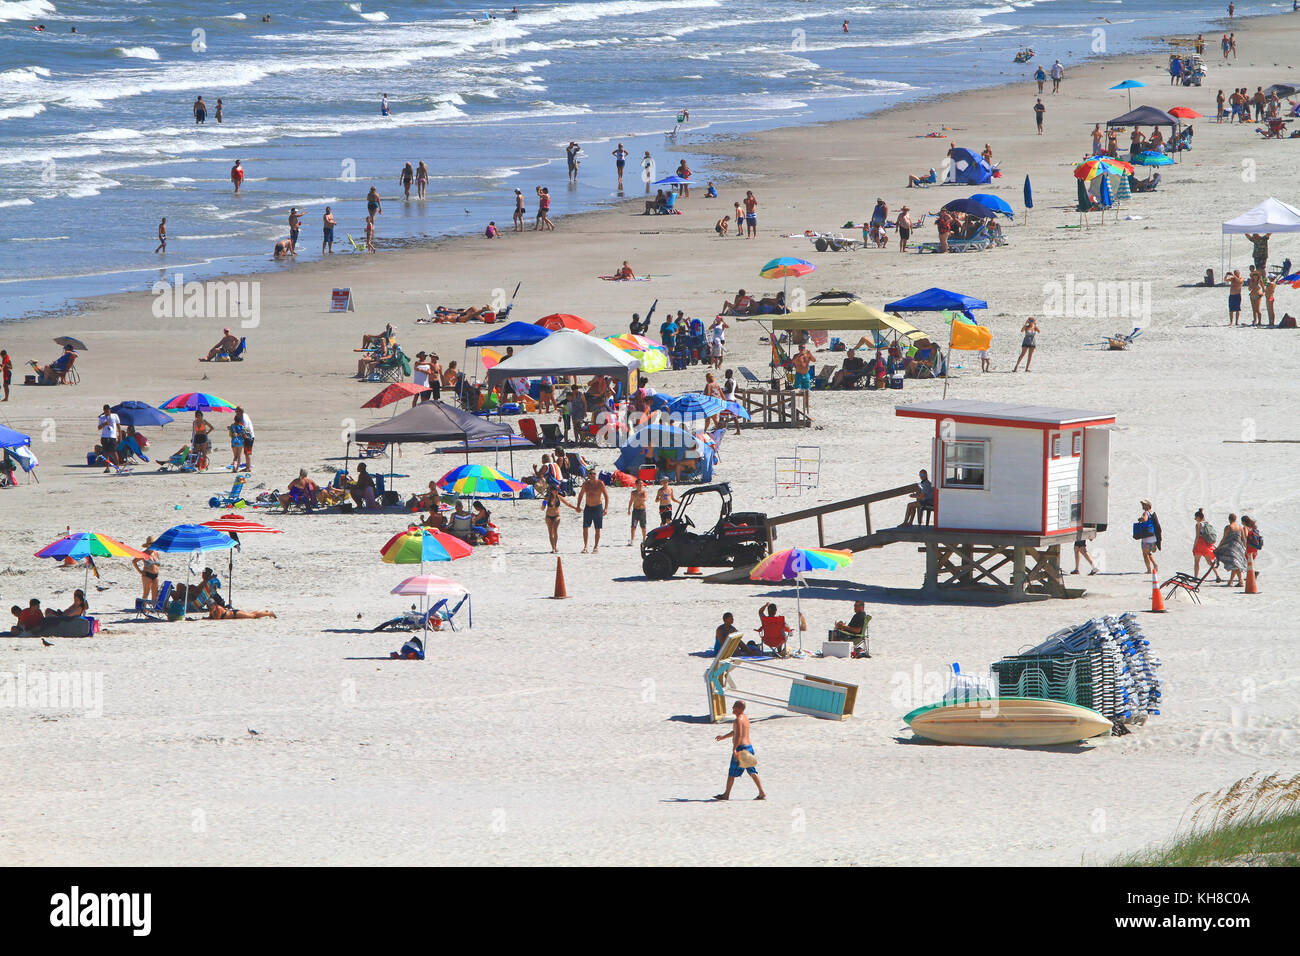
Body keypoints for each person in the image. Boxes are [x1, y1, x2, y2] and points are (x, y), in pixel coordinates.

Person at [714, 700, 766, 801]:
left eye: (734, 707)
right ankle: (762, 792)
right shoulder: (746, 718)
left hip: (741, 748)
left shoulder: (738, 719)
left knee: (731, 773)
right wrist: (723, 737)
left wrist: (734, 750)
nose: (732, 708)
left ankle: (726, 795)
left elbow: (738, 735)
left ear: (739, 709)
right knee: (752, 771)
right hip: (749, 748)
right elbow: (735, 732)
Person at [575, 471, 608, 553]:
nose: (592, 475)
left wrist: (605, 508)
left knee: (597, 528)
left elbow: (606, 496)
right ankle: (585, 546)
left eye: (594, 473)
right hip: (588, 507)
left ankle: (596, 546)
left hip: (598, 507)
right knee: (585, 527)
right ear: (588, 475)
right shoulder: (586, 484)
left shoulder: (600, 483)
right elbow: (581, 495)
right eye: (590, 474)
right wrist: (578, 506)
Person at [1215, 512, 1247, 587]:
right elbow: (1243, 539)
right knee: (1236, 565)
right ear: (1235, 519)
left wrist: (1218, 548)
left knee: (1235, 565)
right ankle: (1236, 581)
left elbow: (1224, 539)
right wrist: (1245, 548)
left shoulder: (1228, 527)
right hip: (1238, 548)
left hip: (1231, 548)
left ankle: (1236, 581)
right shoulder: (1240, 527)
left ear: (1229, 519)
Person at [543, 486, 576, 553]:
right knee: (550, 532)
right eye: (554, 490)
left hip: (556, 516)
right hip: (548, 516)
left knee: (555, 531)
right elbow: (543, 504)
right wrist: (543, 506)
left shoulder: (559, 497)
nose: (556, 492)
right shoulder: (547, 498)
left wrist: (575, 508)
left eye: (557, 490)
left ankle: (555, 546)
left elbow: (567, 504)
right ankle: (553, 548)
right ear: (551, 491)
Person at [1192, 509, 1222, 581]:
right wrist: (1201, 511)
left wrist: (1194, 547)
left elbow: (1197, 536)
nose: (1194, 518)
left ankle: (1195, 577)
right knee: (1210, 562)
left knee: (1196, 562)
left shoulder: (1198, 525)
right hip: (1206, 545)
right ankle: (1217, 575)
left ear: (1198, 518)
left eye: (1195, 517)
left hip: (1199, 544)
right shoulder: (1206, 523)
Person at [1137, 499, 1161, 575]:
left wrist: (1140, 519)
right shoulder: (1152, 513)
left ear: (1148, 506)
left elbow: (1144, 519)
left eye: (1144, 504)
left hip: (1146, 537)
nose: (1142, 506)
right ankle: (1155, 564)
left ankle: (1149, 569)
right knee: (1148, 553)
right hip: (1153, 537)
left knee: (1145, 554)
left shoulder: (1146, 513)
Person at [97, 403, 121, 472]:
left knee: (114, 452)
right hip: (104, 436)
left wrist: (120, 436)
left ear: (110, 410)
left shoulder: (114, 416)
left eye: (108, 411)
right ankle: (107, 467)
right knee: (105, 453)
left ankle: (117, 467)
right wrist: (104, 424)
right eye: (105, 411)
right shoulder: (102, 417)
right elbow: (99, 427)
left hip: (112, 437)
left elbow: (118, 427)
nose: (107, 412)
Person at [628, 478, 649, 545]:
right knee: (633, 526)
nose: (640, 485)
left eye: (641, 483)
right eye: (639, 483)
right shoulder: (633, 492)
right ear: (636, 484)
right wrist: (628, 509)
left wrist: (641, 498)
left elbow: (645, 498)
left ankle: (644, 539)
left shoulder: (643, 492)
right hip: (635, 510)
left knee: (643, 526)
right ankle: (632, 540)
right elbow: (631, 501)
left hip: (642, 510)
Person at [232, 406, 254, 470]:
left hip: (248, 437)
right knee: (245, 453)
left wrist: (237, 433)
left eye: (236, 411)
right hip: (244, 436)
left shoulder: (244, 419)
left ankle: (248, 468)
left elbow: (245, 429)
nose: (235, 413)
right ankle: (247, 467)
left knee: (247, 453)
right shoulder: (243, 416)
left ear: (240, 412)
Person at [208, 605, 276, 620]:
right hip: (235, 614)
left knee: (253, 616)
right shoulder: (213, 610)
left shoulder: (217, 609)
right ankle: (264, 612)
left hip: (236, 614)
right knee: (251, 614)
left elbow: (218, 618)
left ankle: (269, 613)